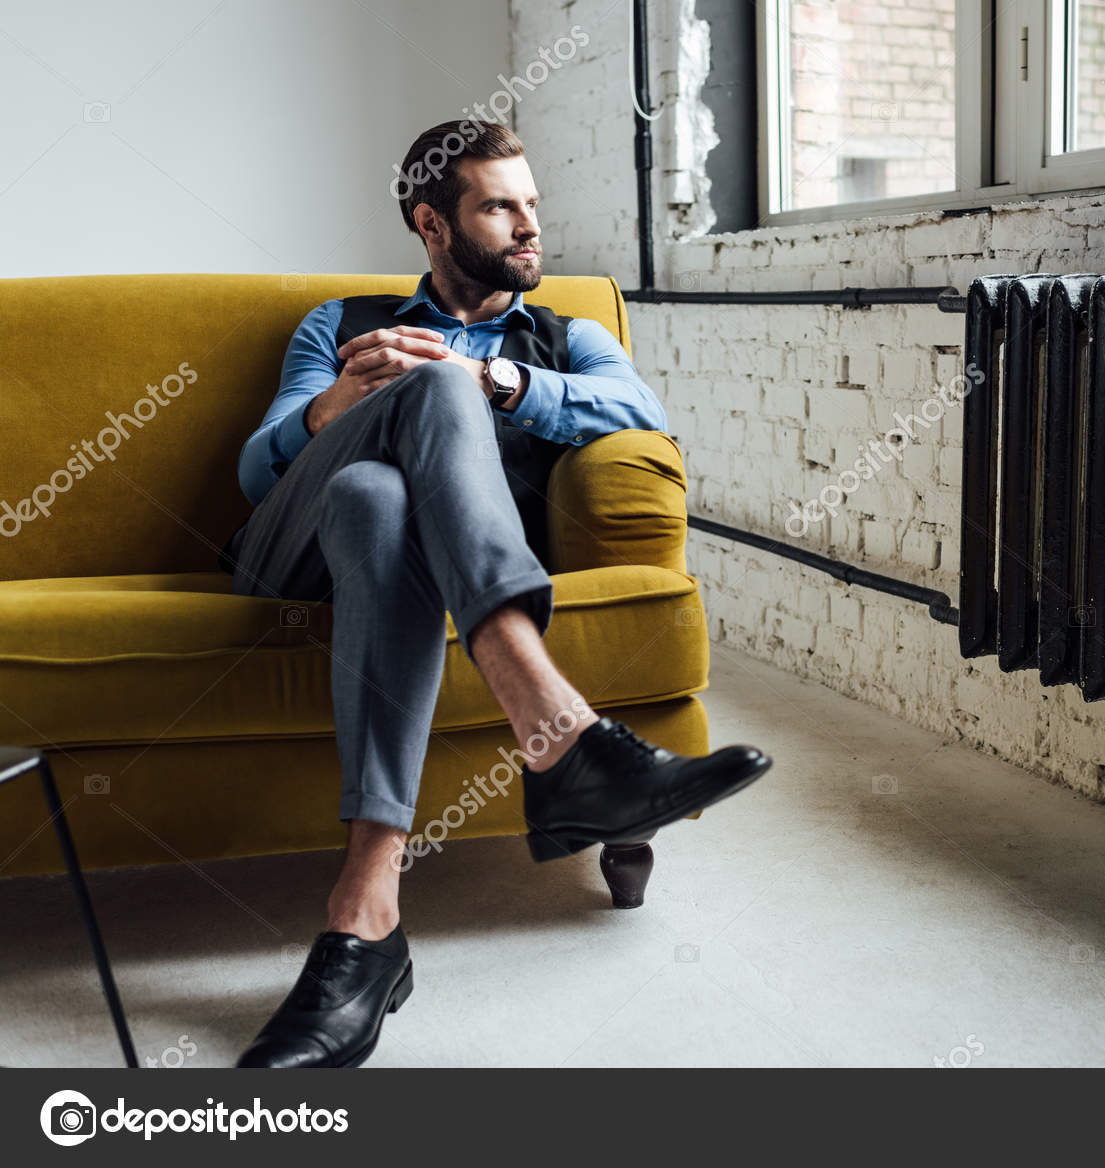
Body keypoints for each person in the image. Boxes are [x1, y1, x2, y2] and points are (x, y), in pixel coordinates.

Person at [219, 119, 771, 1069]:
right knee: (392, 428)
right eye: (499, 206)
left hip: (378, 536)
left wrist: (496, 379)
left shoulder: (566, 335)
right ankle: (561, 739)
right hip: (287, 556)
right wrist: (339, 405)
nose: (529, 228)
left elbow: (642, 415)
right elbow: (258, 473)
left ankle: (365, 921)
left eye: (532, 204)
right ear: (433, 224)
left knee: (374, 493)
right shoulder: (340, 326)